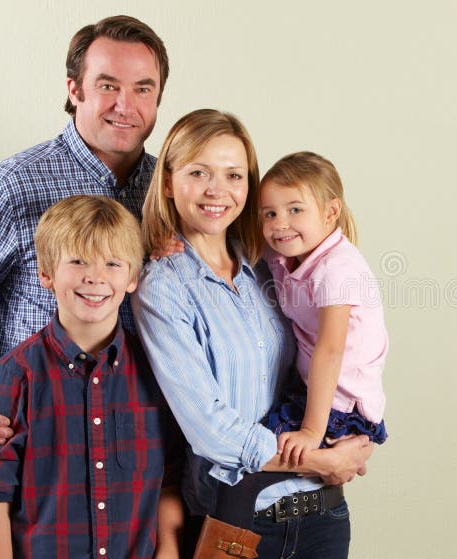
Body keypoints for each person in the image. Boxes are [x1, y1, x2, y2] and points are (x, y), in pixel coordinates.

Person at [132, 109, 372, 559]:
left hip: (324, 516)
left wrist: (357, 434)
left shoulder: (270, 265)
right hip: (241, 521)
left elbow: (334, 348)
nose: (216, 190)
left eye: (233, 175)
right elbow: (211, 431)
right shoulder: (162, 287)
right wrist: (323, 459)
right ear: (167, 181)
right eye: (198, 172)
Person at [0, 15, 169, 451]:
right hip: (40, 454)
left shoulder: (171, 193)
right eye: (108, 85)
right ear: (74, 89)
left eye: (143, 88)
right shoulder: (12, 187)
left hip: (148, 460)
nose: (126, 104)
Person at [0, 195, 184, 559]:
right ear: (46, 274)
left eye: (112, 263)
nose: (94, 277)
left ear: (132, 278)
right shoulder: (17, 375)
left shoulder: (156, 370)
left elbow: (169, 478)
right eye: (78, 261)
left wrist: (169, 551)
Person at [257, 151, 388, 468]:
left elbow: (330, 350)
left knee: (260, 451)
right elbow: (225, 239)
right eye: (269, 214)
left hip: (342, 405)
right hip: (313, 390)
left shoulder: (337, 268)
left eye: (295, 210)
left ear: (330, 212)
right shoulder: (286, 255)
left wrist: (312, 431)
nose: (280, 224)